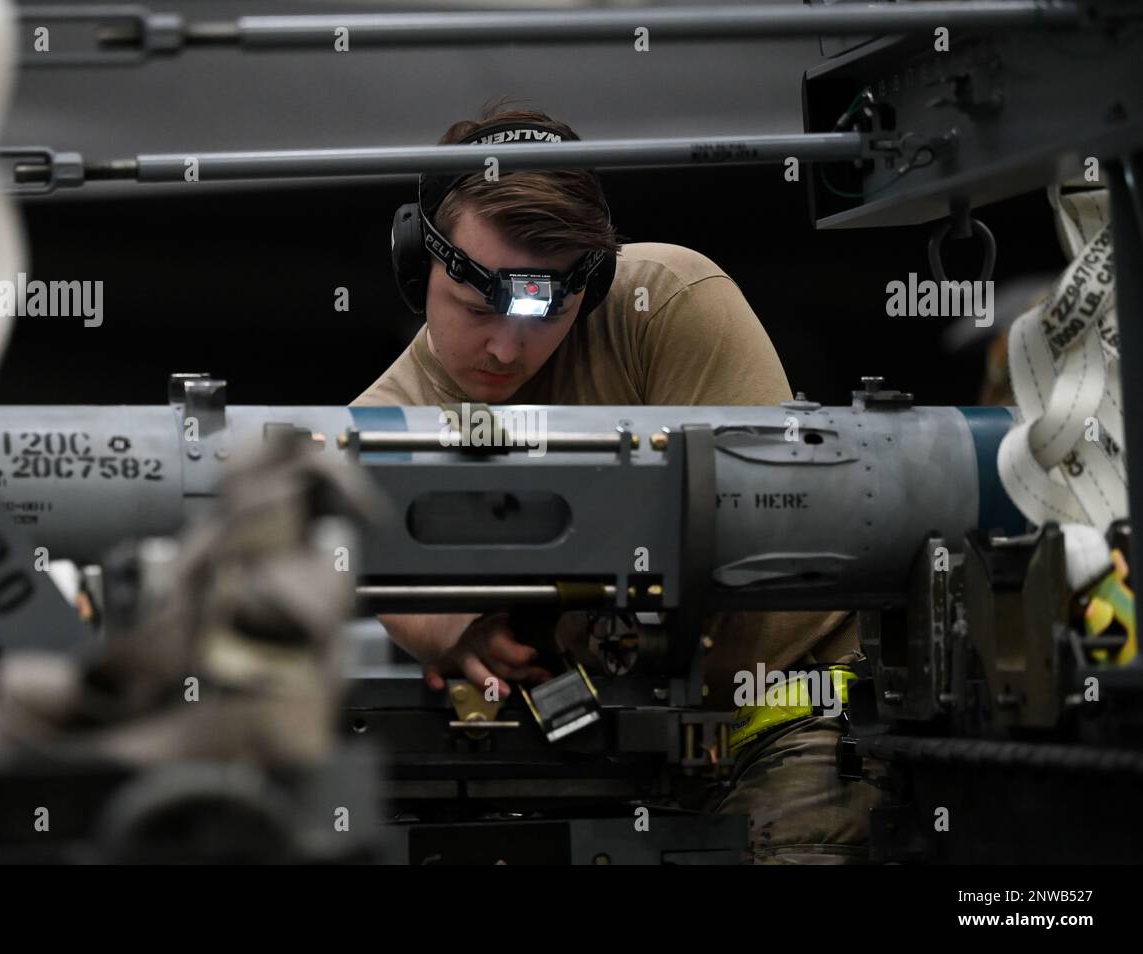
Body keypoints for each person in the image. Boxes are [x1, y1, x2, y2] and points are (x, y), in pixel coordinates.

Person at [353, 100, 884, 863]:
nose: (506, 347)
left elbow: (778, 515)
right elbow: (374, 570)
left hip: (797, 721)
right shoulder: (379, 427)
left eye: (547, 312)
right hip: (620, 762)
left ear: (595, 283)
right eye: (476, 307)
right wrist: (455, 626)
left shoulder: (665, 302)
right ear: (417, 266)